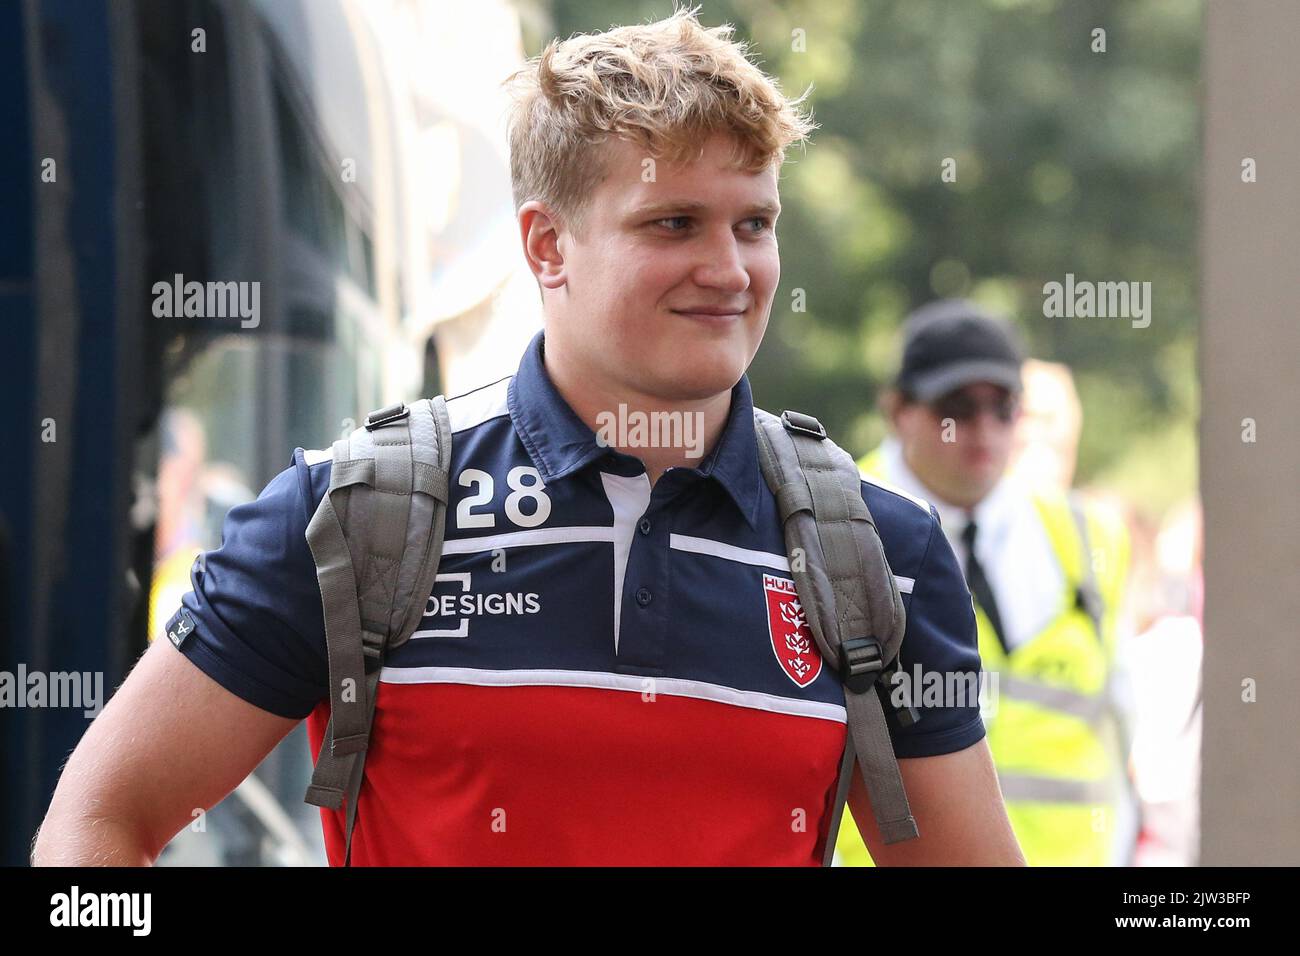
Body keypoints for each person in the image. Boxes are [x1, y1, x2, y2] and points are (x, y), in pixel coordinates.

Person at [32, 7, 1022, 867]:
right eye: (673, 223)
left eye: (752, 223)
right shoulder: (353, 513)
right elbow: (96, 824)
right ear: (547, 244)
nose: (729, 269)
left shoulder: (877, 553)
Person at [835, 299, 1133, 867]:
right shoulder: (834, 525)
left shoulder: (1089, 537)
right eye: (957, 408)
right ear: (898, 409)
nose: (984, 430)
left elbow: (1123, 728)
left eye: (1004, 408)